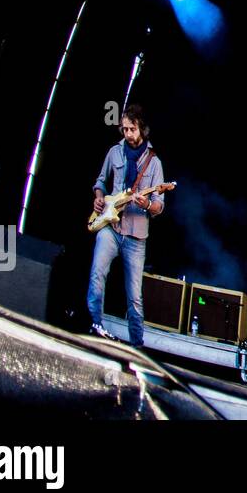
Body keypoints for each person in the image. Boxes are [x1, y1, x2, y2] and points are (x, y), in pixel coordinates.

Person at [87, 105, 167, 346]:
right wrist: (99, 197)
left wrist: (146, 204)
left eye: (132, 129)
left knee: (134, 296)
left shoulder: (154, 163)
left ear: (141, 129)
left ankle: (137, 345)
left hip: (136, 235)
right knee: (97, 274)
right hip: (111, 227)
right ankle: (95, 325)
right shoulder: (114, 152)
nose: (128, 134)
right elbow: (100, 181)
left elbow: (159, 206)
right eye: (124, 129)